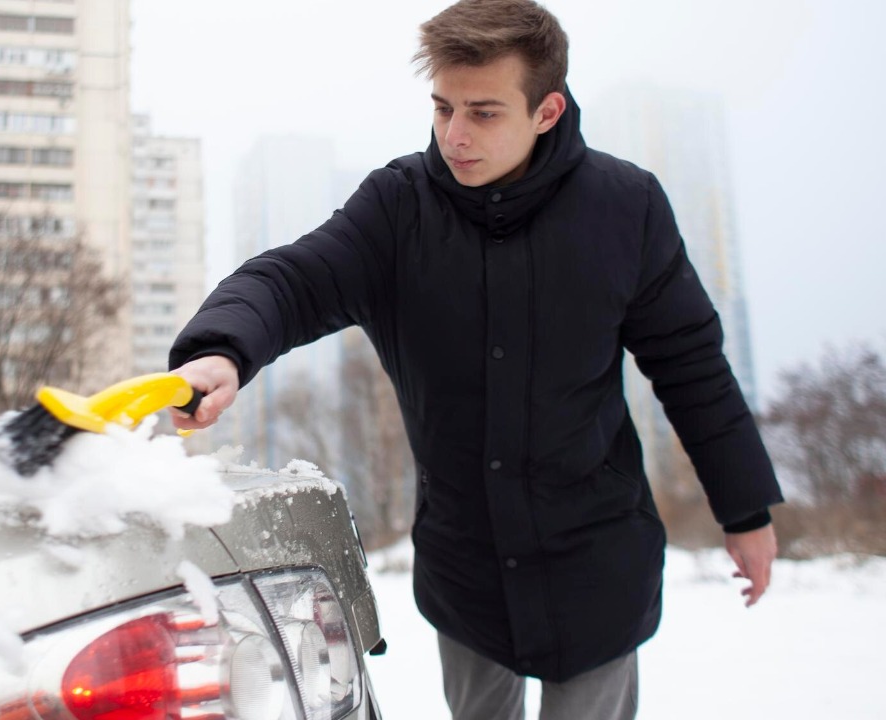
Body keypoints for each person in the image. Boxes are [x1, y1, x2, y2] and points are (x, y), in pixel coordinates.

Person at [166, 0, 784, 717]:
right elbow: (294, 279)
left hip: (597, 562)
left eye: (484, 113)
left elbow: (692, 367)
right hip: (467, 568)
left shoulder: (626, 208)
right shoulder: (397, 209)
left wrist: (745, 511)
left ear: (546, 111)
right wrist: (221, 349)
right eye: (443, 108)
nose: (454, 136)